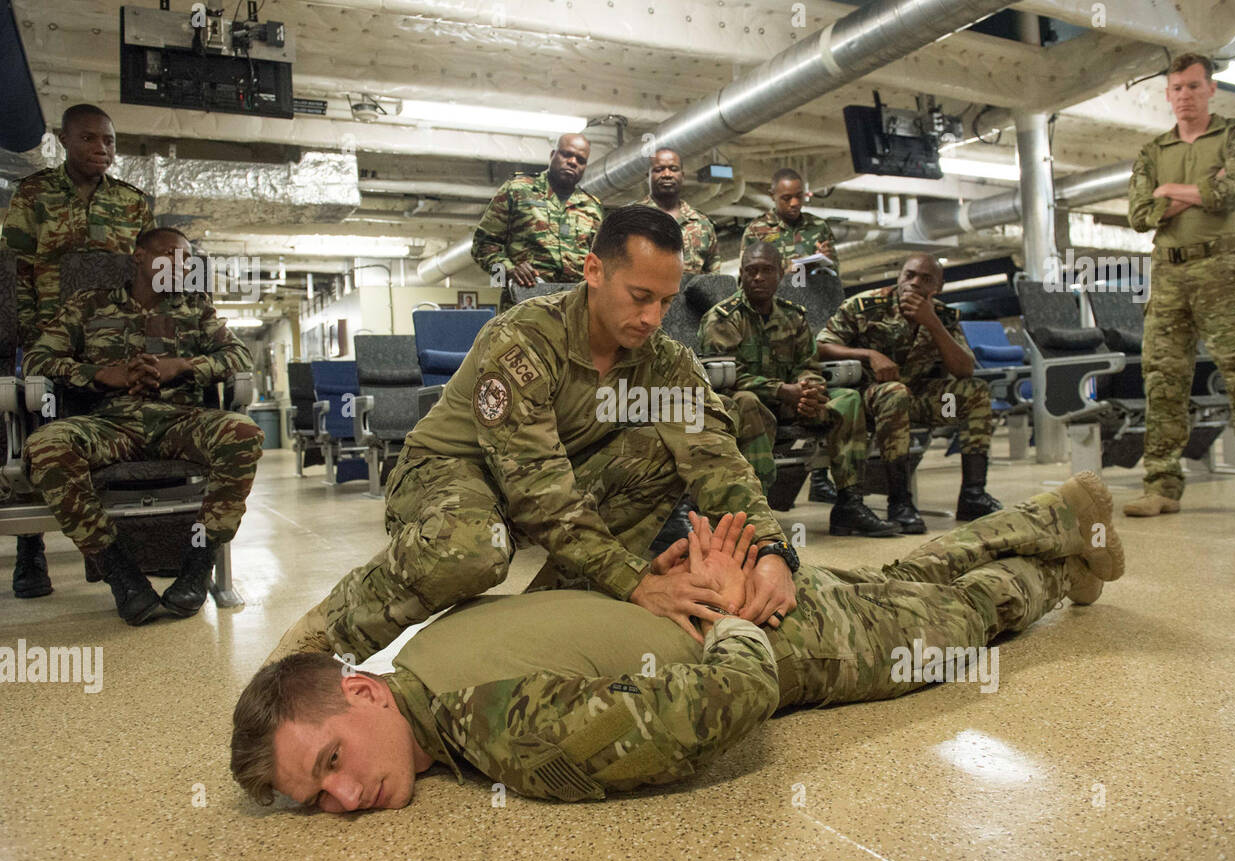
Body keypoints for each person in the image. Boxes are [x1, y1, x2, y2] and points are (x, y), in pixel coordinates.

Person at [231, 472, 1124, 810]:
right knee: (898, 580)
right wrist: (671, 578)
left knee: (960, 622)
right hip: (710, 597)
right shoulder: (424, 651)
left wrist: (729, 610)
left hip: (768, 637)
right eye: (320, 798)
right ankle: (1057, 520)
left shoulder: (494, 728)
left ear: (361, 690)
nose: (346, 796)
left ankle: (1053, 569)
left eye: (332, 761)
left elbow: (727, 704)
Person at [268, 206, 797, 666]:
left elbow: (715, 456)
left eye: (666, 301)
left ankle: (549, 619)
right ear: (594, 271)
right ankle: (319, 642)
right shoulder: (525, 339)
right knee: (474, 549)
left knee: (662, 450)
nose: (652, 318)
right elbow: (538, 492)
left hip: (552, 478)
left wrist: (773, 551)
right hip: (449, 472)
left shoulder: (664, 361)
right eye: (640, 297)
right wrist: (637, 580)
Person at [22, 228, 262, 624]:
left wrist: (182, 366)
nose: (181, 265)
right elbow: (38, 358)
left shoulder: (195, 307)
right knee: (47, 444)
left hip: (179, 421)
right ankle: (120, 574)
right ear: (139, 256)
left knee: (243, 432)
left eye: (187, 259)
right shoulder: (89, 305)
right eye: (170, 254)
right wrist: (102, 374)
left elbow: (238, 356)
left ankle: (198, 566)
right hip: (110, 423)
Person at [1125, 52, 1235, 523]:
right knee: (1163, 380)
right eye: (1177, 88)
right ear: (1168, 94)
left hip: (1224, 271)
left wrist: (1167, 192)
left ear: (1211, 89)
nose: (1185, 95)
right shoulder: (1153, 151)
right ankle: (1161, 485)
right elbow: (1139, 216)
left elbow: (1232, 192)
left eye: (1194, 86)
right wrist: (1198, 189)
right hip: (1168, 275)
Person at [1, 103, 155, 599]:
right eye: (89, 139)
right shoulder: (35, 194)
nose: (102, 149)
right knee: (37, 430)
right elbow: (15, 269)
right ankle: (31, 547)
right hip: (48, 336)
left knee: (107, 433)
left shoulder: (132, 202)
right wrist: (28, 336)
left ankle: (104, 548)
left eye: (109, 140)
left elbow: (144, 276)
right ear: (63, 140)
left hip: (111, 340)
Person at [699, 242, 896, 537]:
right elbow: (726, 376)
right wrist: (782, 390)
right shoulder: (723, 318)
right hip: (750, 403)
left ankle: (849, 504)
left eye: (767, 270)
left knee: (847, 399)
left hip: (792, 400)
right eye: (751, 271)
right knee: (745, 400)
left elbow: (808, 364)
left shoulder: (793, 317)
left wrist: (809, 391)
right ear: (741, 273)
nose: (758, 277)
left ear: (780, 273)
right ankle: (755, 511)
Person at [816, 254, 1001, 533]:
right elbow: (820, 347)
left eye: (926, 279)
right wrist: (869, 355)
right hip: (866, 396)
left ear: (937, 288)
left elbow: (964, 370)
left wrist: (932, 323)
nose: (914, 283)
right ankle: (900, 503)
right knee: (895, 393)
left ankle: (973, 496)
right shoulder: (866, 305)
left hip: (915, 396)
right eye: (909, 275)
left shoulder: (942, 316)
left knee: (976, 392)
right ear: (899, 277)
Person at [470, 133, 603, 313]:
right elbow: (480, 247)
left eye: (581, 160)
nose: (573, 162)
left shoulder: (592, 207)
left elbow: (600, 263)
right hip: (523, 308)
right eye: (566, 154)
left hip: (574, 311)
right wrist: (508, 272)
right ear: (552, 155)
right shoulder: (517, 190)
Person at [636, 148, 721, 274]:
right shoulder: (631, 219)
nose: (667, 174)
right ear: (647, 177)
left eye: (673, 169)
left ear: (682, 175)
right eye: (659, 170)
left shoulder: (702, 223)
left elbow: (714, 277)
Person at [740, 168, 837, 274]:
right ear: (772, 196)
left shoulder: (819, 226)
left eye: (799, 196)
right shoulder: (755, 231)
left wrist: (829, 260)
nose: (794, 203)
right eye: (786, 198)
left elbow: (834, 274)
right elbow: (746, 278)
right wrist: (785, 273)